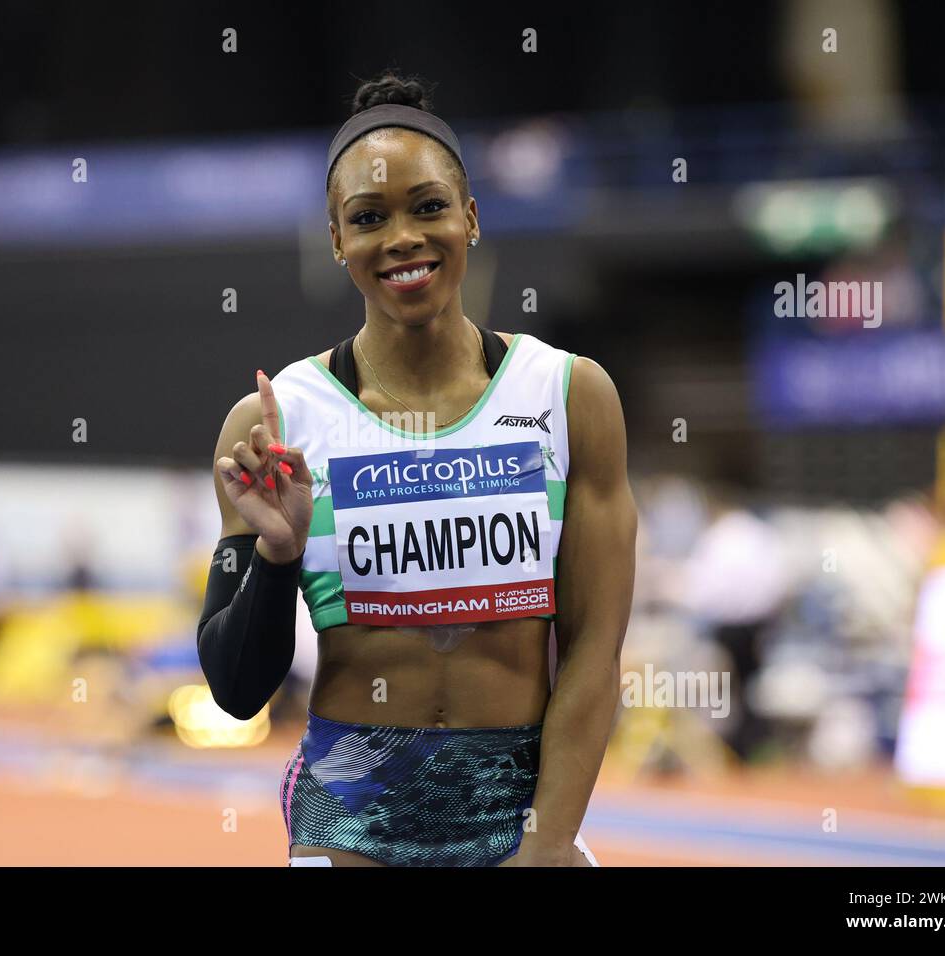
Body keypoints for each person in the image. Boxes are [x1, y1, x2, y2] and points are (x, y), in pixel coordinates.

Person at [197, 72, 638, 866]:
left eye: (428, 207)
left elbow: (593, 653)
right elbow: (235, 692)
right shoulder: (276, 423)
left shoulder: (570, 395)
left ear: (470, 217)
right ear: (336, 238)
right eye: (369, 218)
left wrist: (547, 841)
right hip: (350, 816)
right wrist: (276, 552)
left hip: (518, 811)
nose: (401, 237)